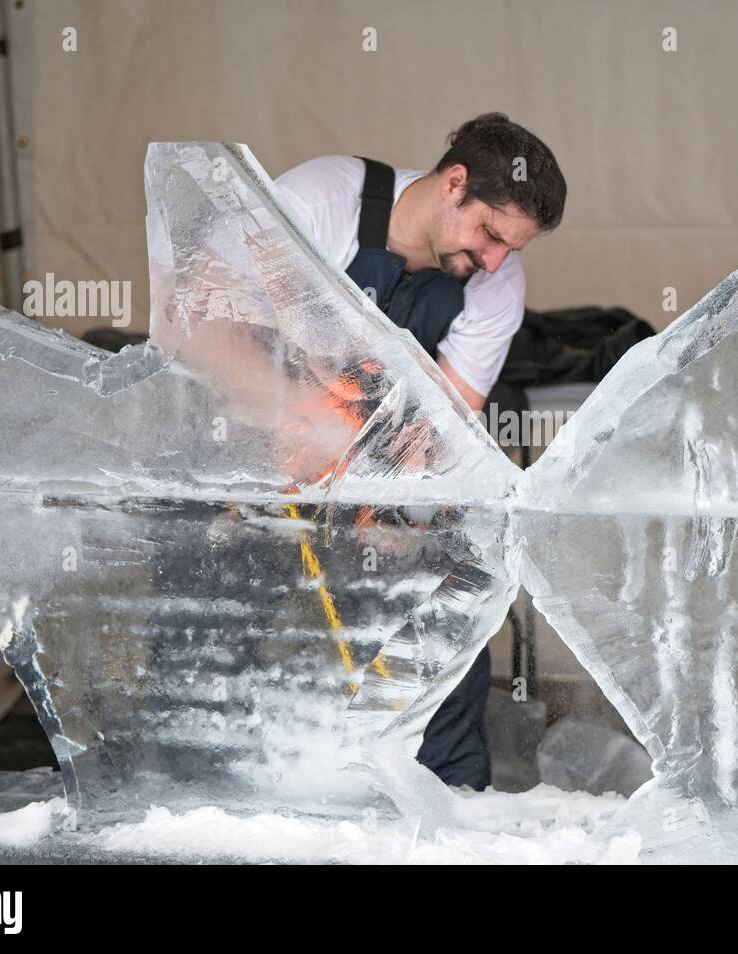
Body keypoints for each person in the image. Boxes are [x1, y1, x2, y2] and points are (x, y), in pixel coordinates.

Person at [274, 113, 567, 789]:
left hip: (373, 479)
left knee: (444, 597)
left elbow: (445, 418)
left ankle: (449, 800)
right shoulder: (318, 201)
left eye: (512, 249)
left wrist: (404, 507)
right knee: (226, 623)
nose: (494, 260)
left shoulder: (496, 284)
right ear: (453, 184)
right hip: (257, 461)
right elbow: (218, 339)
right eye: (490, 234)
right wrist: (320, 442)